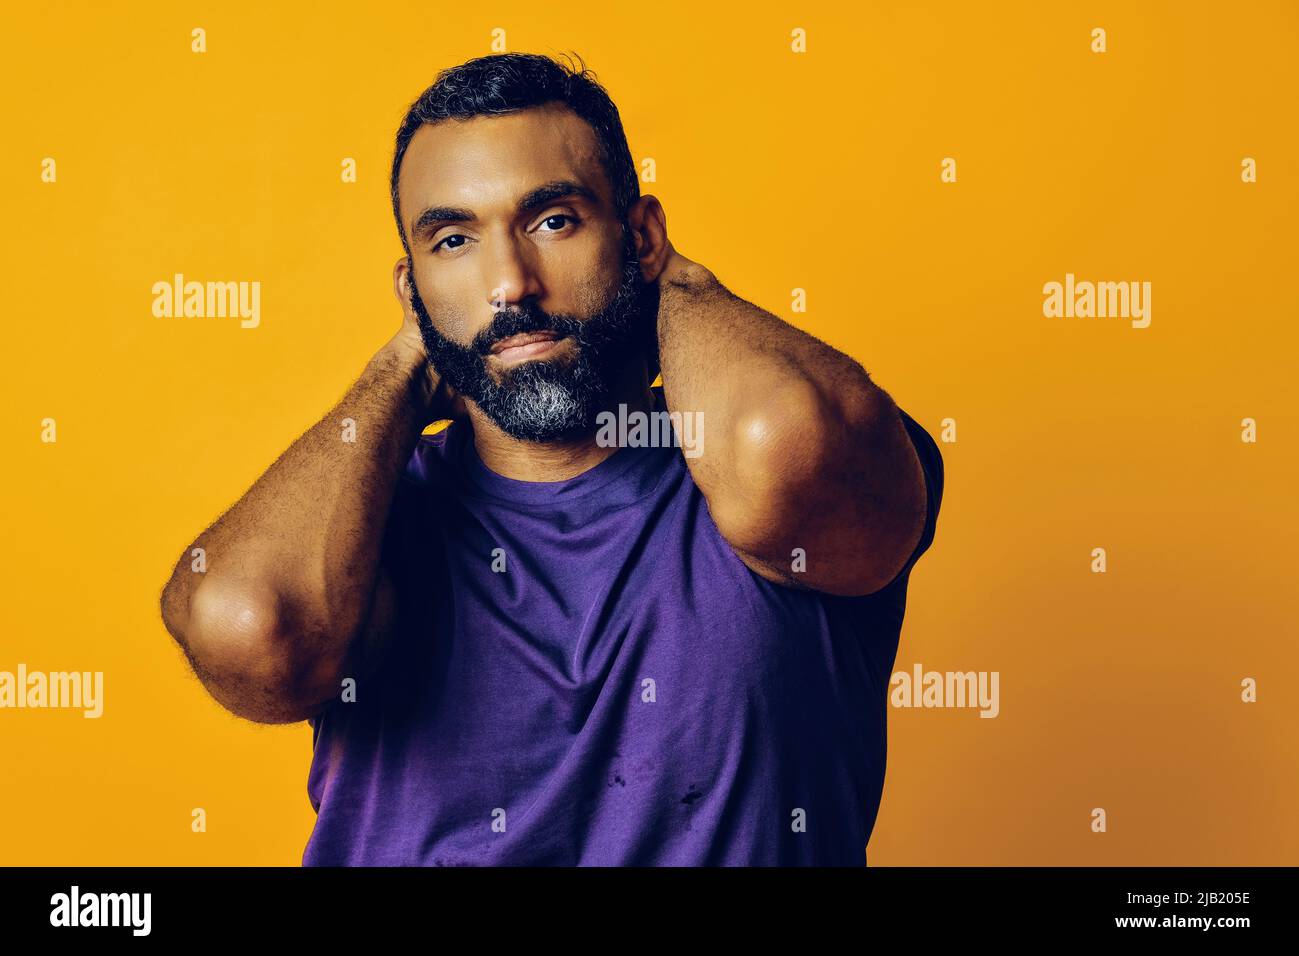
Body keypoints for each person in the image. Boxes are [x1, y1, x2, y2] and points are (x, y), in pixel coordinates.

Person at [159, 52, 944, 866]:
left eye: (552, 221)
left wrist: (673, 285)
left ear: (637, 234)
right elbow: (250, 628)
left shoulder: (803, 468)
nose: (510, 284)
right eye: (454, 240)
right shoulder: (368, 526)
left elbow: (786, 445)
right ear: (412, 287)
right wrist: (400, 364)